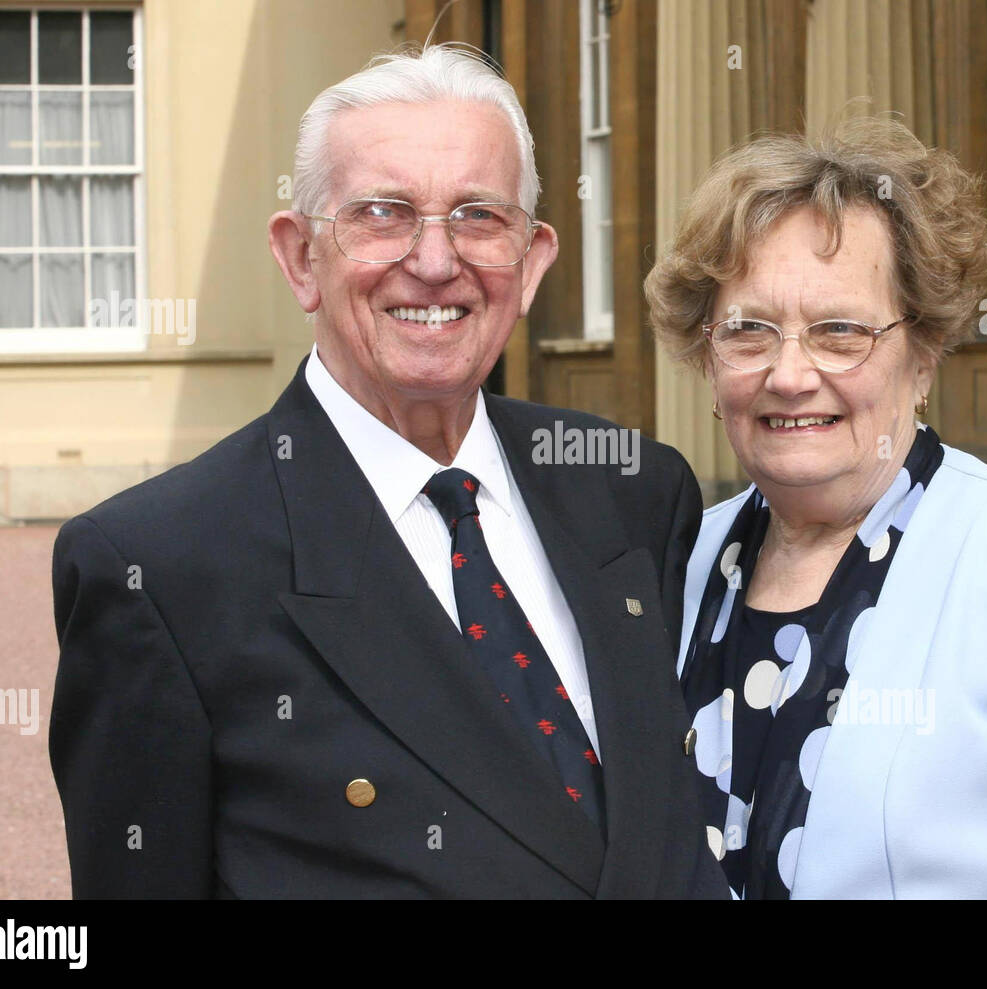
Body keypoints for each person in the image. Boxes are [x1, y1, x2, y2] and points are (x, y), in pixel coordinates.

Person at [49, 44, 726, 899]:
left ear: (531, 262)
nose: (435, 262)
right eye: (382, 213)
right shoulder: (160, 568)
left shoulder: (633, 491)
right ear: (301, 258)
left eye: (479, 215)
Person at [644, 116, 987, 899]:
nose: (790, 374)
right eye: (749, 332)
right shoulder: (677, 561)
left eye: (840, 331)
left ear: (924, 355)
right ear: (709, 360)